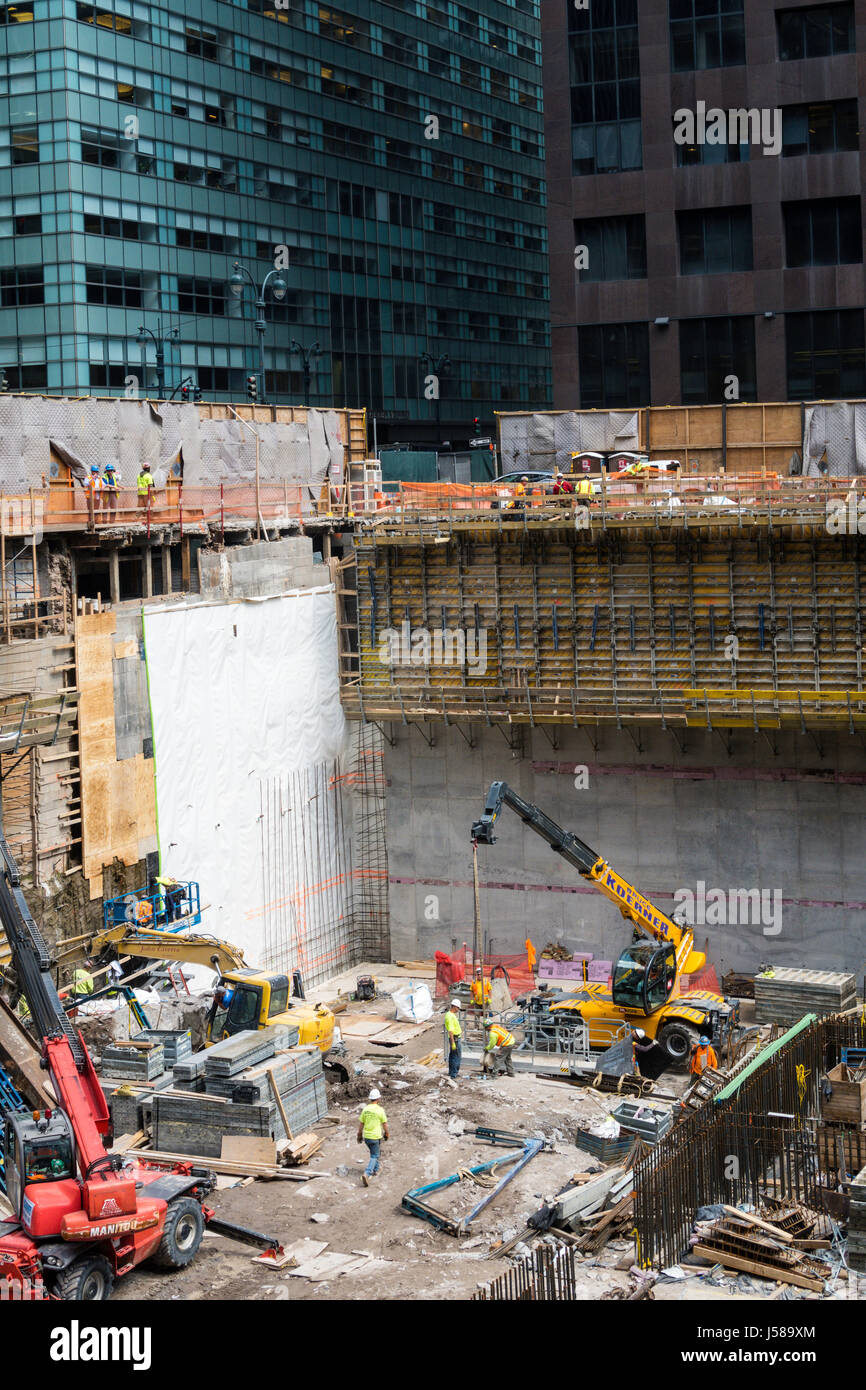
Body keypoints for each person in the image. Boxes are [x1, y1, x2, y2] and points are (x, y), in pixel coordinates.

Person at [357, 1087, 389, 1186]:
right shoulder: (380, 1110)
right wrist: (387, 1133)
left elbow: (361, 1123)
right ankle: (367, 1173)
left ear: (370, 1099)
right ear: (378, 1099)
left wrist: (359, 1135)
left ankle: (376, 1169)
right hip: (375, 1137)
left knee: (374, 1154)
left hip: (367, 1137)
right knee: (374, 1155)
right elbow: (384, 1124)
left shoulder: (365, 1109)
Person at [444, 999, 462, 1079]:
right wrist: (453, 1042)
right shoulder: (450, 1016)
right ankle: (454, 1074)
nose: (458, 1010)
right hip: (455, 1038)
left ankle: (451, 1072)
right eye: (458, 1008)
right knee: (456, 1056)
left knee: (452, 1056)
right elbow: (451, 1031)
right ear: (454, 1006)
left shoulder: (450, 1014)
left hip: (454, 1038)